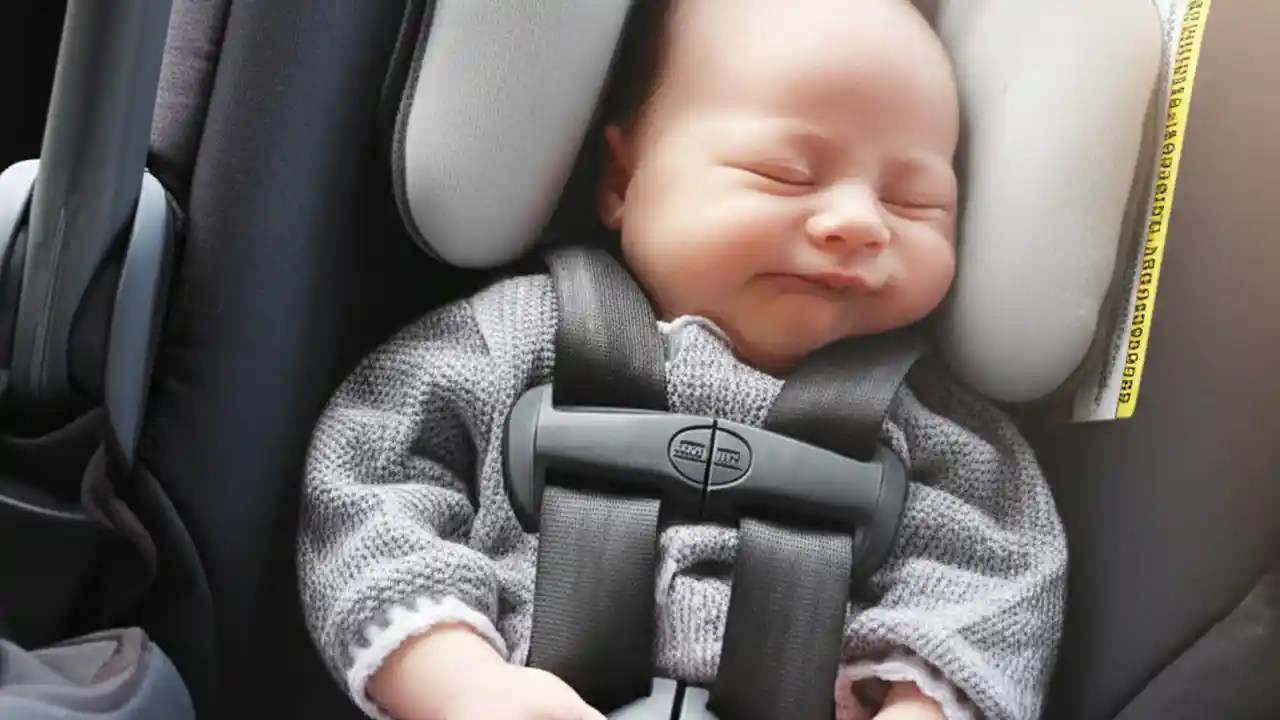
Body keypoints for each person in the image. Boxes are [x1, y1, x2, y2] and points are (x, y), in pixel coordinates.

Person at [297, 0, 1067, 718]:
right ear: (623, 179)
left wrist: (918, 704)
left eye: (914, 201)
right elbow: (370, 484)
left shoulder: (936, 432)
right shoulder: (509, 342)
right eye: (787, 175)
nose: (860, 222)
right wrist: (457, 680)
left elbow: (995, 583)